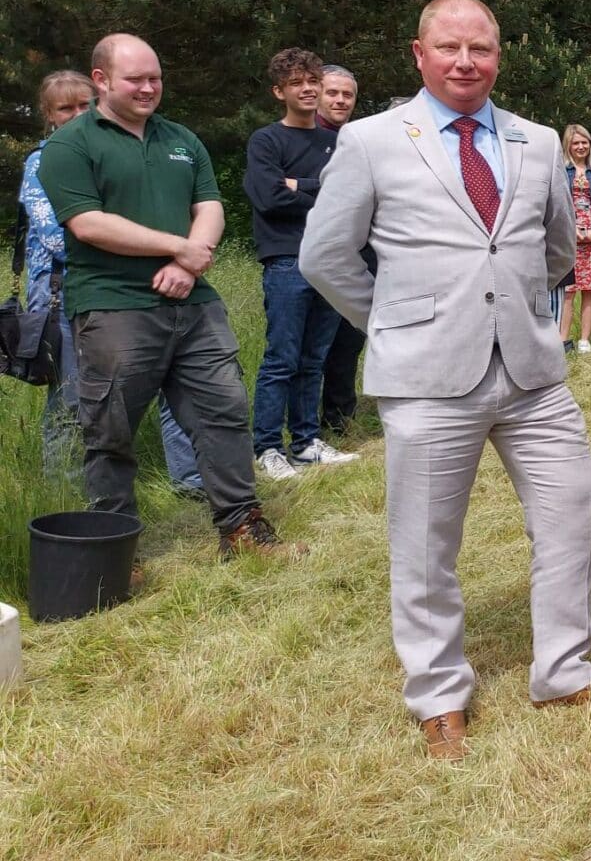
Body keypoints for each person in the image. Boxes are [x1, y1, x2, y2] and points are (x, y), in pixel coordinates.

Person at [302, 0, 591, 762]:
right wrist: (398, 319)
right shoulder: (368, 141)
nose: (466, 61)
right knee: (426, 542)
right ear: (418, 53)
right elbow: (324, 257)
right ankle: (438, 696)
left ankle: (564, 673)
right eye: (450, 47)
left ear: (500, 55)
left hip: (532, 373)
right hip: (427, 378)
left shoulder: (534, 141)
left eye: (482, 48)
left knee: (573, 511)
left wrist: (523, 309)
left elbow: (558, 250)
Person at [36, 34, 296, 557]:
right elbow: (88, 224)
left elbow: (210, 206)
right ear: (101, 80)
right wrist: (181, 248)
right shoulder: (70, 146)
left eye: (156, 78)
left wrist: (189, 258)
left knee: (223, 412)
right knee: (110, 432)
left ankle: (242, 528)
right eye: (136, 79)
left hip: (194, 306)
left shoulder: (181, 138)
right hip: (114, 307)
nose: (150, 88)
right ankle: (112, 550)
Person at [245, 48, 358, 479]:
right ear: (279, 91)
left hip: (330, 262)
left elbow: (352, 198)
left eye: (312, 80)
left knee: (315, 358)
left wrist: (301, 185)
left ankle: (307, 440)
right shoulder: (267, 141)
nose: (308, 88)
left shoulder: (338, 141)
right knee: (282, 358)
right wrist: (322, 191)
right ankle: (268, 446)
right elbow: (270, 198)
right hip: (287, 261)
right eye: (297, 83)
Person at [315, 64, 370, 436]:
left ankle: (339, 419)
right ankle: (301, 426)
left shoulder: (363, 139)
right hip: (317, 259)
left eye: (347, 94)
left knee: (350, 342)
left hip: (364, 256)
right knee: (309, 349)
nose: (340, 100)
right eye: (332, 92)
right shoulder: (302, 136)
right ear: (315, 94)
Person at [557, 123, 591, 353]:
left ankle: (585, 340)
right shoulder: (560, 171)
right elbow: (558, 204)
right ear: (568, 145)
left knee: (590, 289)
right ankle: (562, 339)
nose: (581, 147)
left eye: (584, 142)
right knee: (567, 291)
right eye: (576, 142)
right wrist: (572, 230)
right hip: (568, 238)